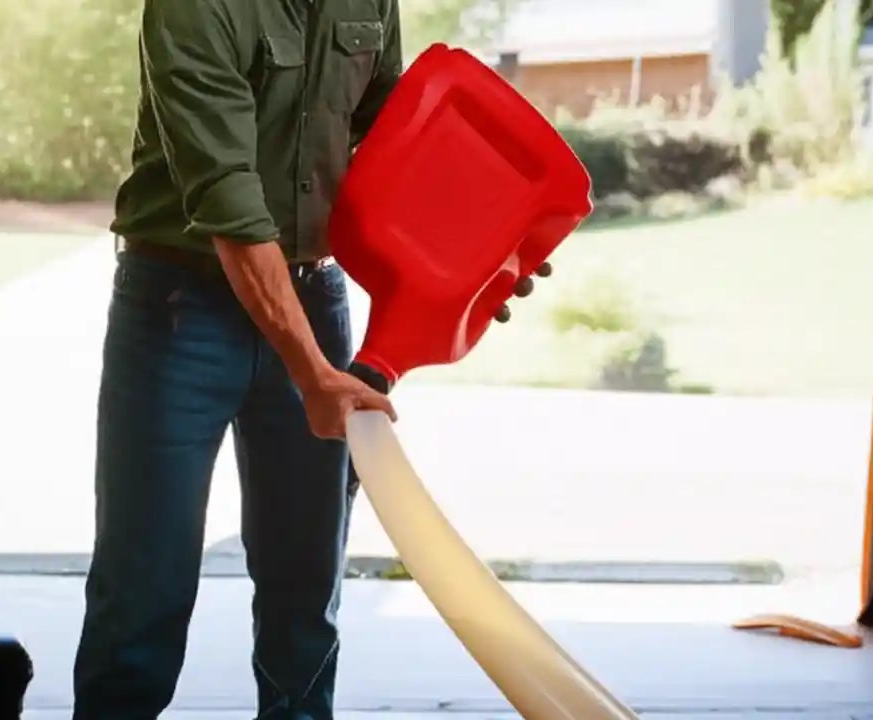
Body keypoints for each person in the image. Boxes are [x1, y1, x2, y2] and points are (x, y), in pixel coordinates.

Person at [72, 1, 544, 717]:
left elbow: (401, 148)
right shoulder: (195, 9)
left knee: (305, 591)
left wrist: (487, 254)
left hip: (313, 292)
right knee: (143, 590)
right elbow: (229, 207)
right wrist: (311, 370)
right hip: (178, 310)